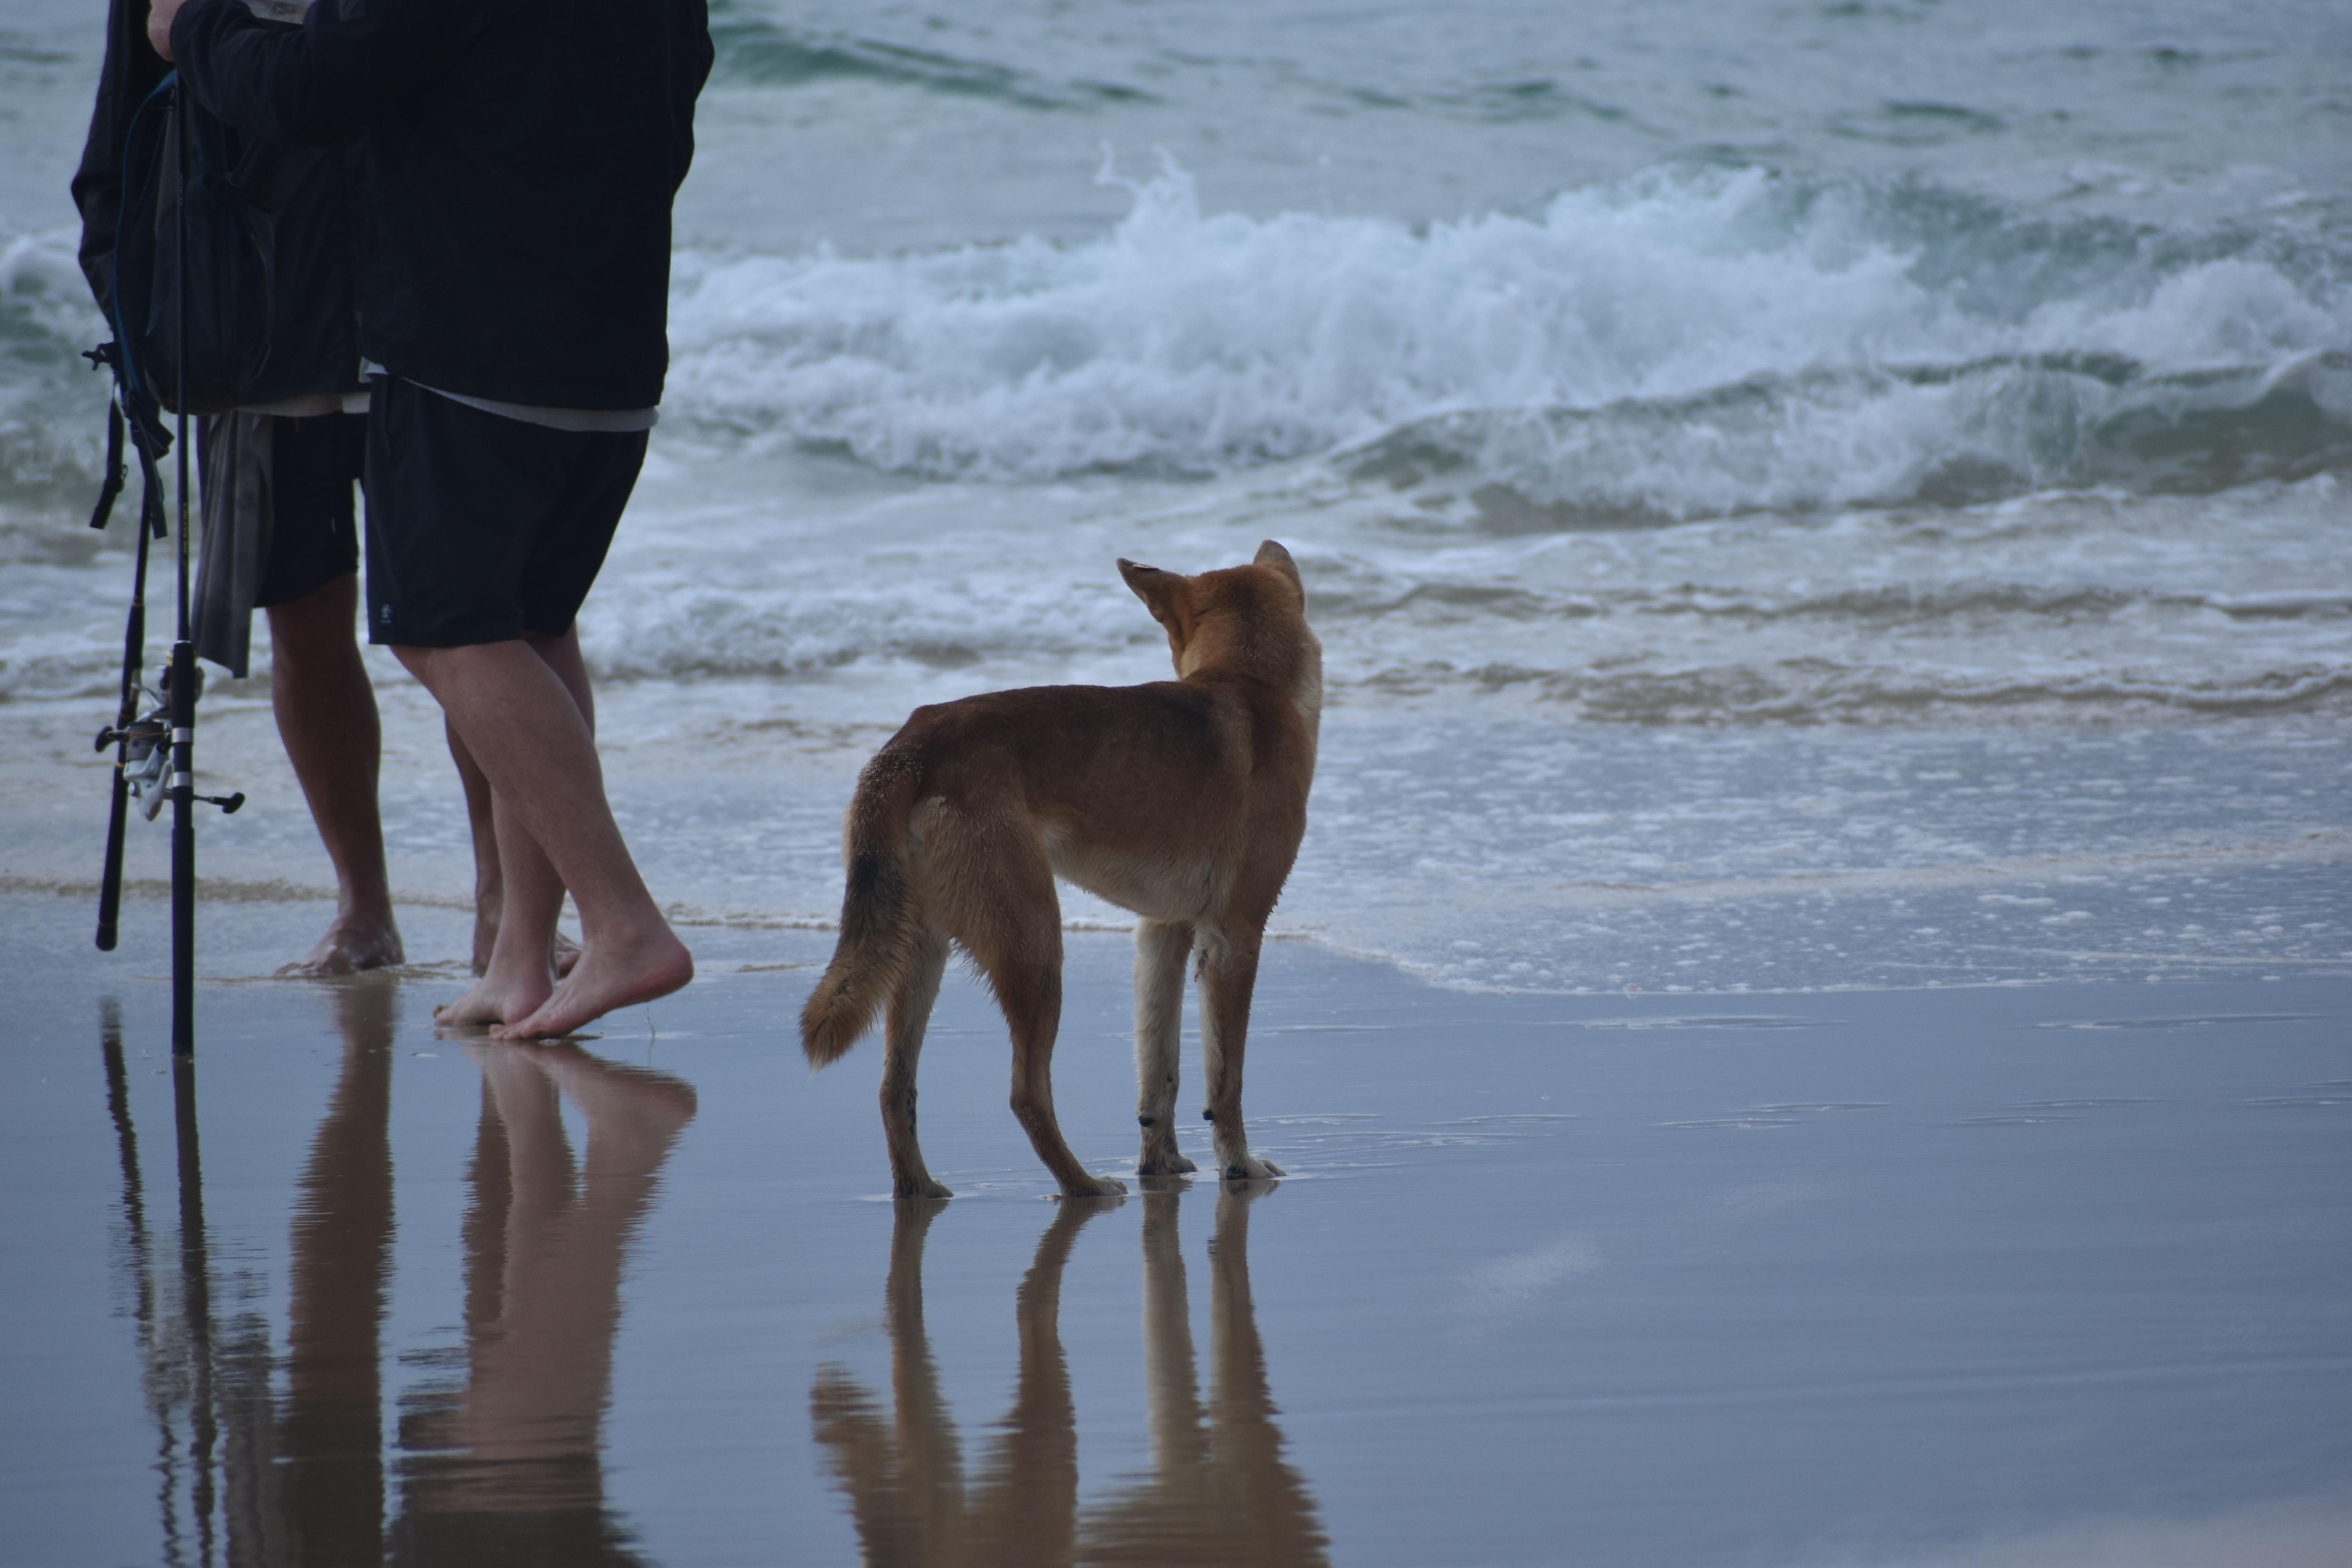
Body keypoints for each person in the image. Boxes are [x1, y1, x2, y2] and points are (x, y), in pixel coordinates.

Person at [149, 0, 711, 1037]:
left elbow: (313, 89)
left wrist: (197, 30)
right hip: (615, 346)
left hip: (471, 349)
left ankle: (625, 925)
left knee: (443, 629)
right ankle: (520, 960)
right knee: (535, 625)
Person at [70, 0, 576, 979]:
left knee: (483, 619)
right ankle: (363, 908)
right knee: (305, 620)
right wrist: (151, 334)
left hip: (432, 323)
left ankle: (505, 909)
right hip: (259, 334)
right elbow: (115, 163)